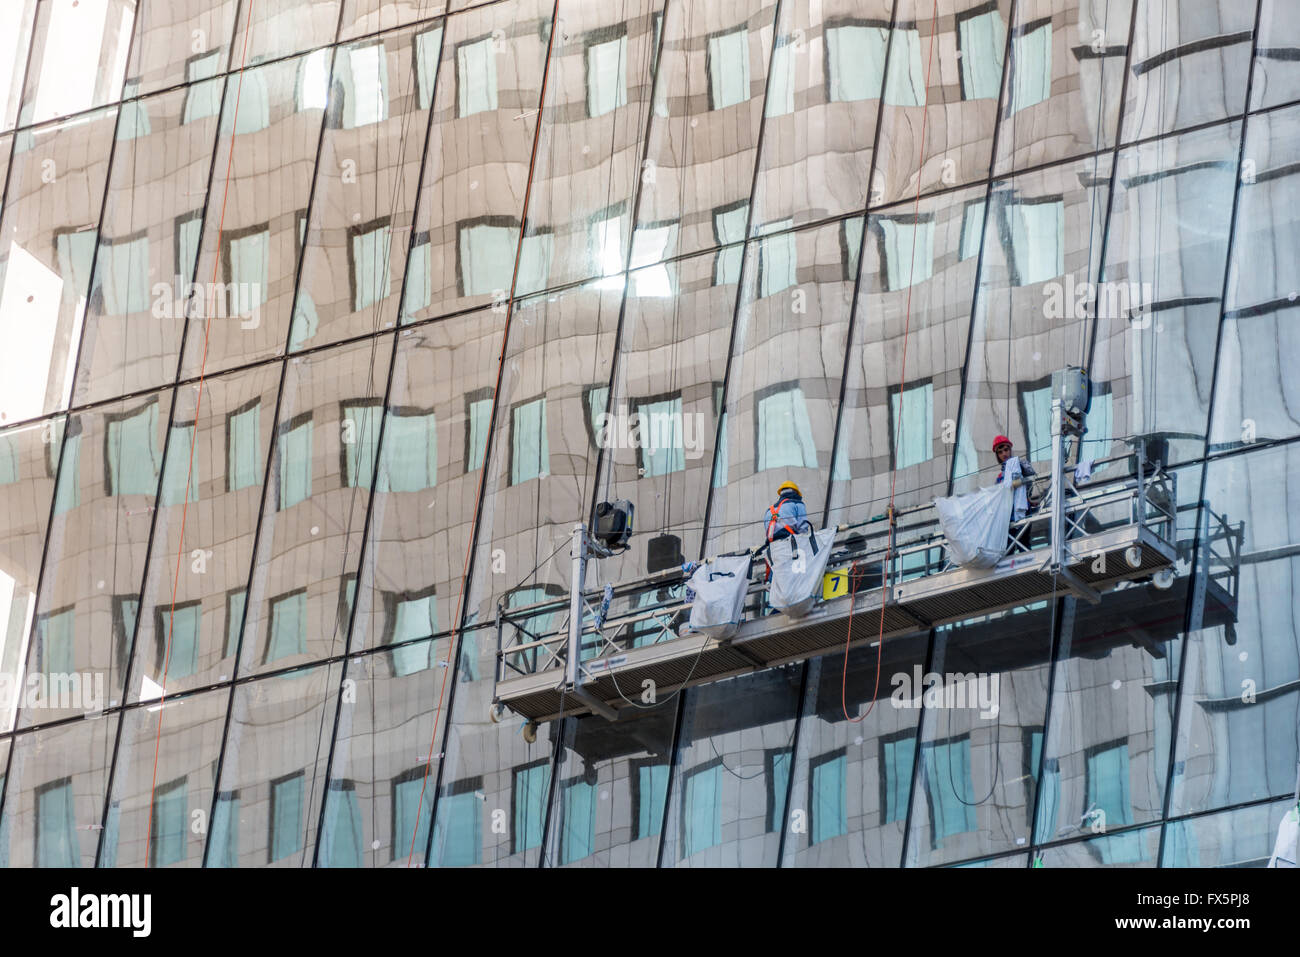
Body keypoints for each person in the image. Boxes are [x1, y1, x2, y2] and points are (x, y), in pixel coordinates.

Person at [992, 436, 1037, 522]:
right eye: (1000, 452)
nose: (1004, 454)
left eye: (1006, 450)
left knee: (1023, 534)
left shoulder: (1020, 465)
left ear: (1010, 450)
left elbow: (1032, 477)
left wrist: (1019, 466)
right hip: (1007, 515)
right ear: (997, 455)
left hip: (1022, 509)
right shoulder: (999, 478)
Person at [763, 480, 813, 546]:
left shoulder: (769, 510)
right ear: (796, 493)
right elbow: (803, 527)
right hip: (791, 543)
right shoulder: (797, 503)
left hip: (772, 546)